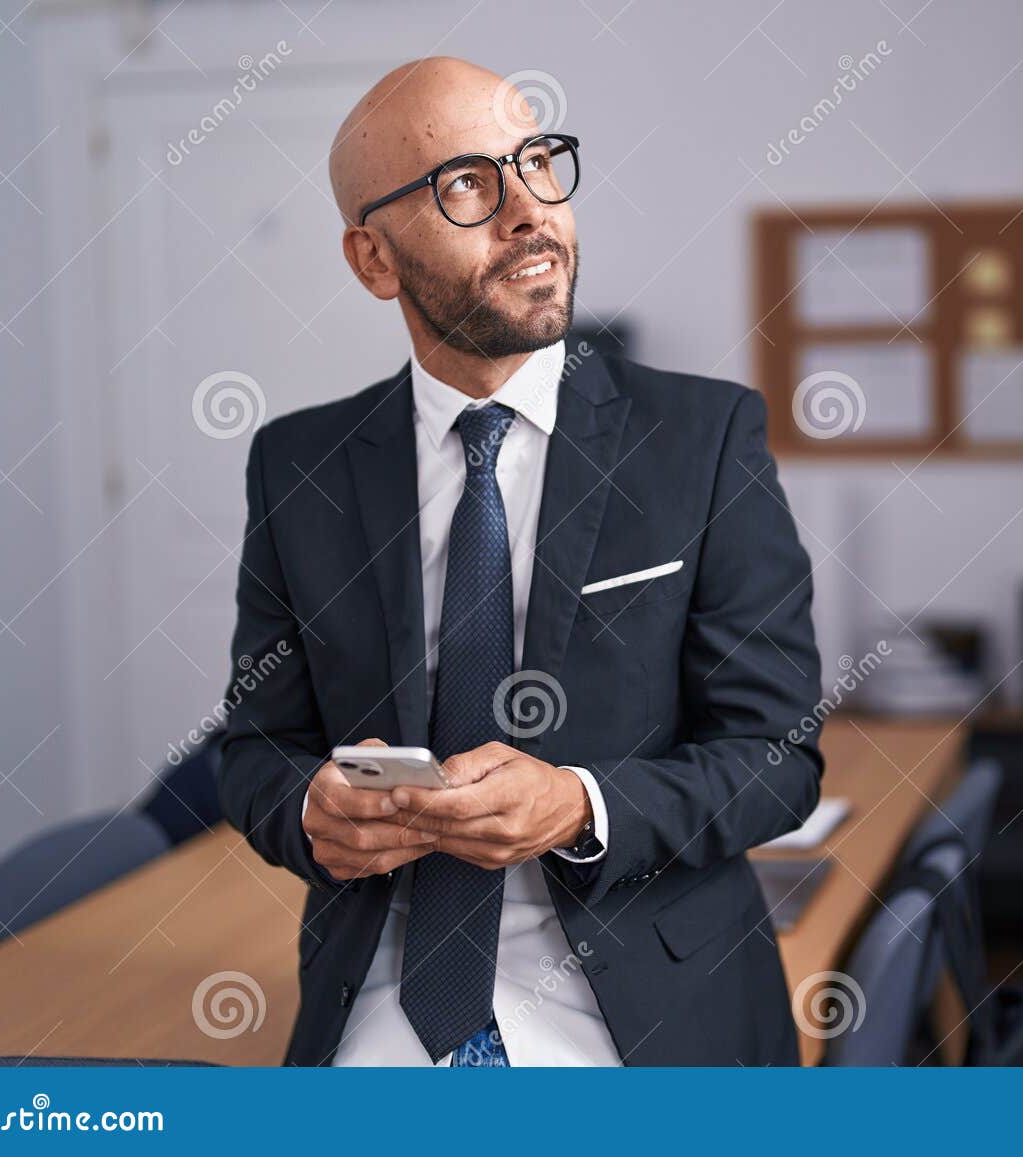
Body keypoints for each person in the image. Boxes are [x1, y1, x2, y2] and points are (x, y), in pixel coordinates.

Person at [215, 56, 823, 1067]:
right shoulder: (297, 463)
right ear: (373, 258)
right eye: (466, 184)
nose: (530, 211)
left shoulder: (702, 437)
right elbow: (252, 750)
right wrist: (310, 807)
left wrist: (579, 804)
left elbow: (778, 752)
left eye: (537, 162)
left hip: (641, 1010)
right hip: (378, 998)